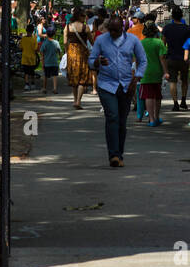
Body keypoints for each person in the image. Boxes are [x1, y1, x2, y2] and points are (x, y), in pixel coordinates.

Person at [88, 14, 147, 167]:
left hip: (126, 86)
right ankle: (113, 155)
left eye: (116, 30)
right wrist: (97, 61)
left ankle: (119, 154)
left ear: (122, 28)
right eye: (111, 30)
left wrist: (138, 77)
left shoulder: (133, 40)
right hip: (106, 85)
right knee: (112, 117)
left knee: (121, 121)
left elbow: (143, 60)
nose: (113, 33)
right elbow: (90, 60)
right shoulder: (101, 40)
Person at [139, 20, 169, 126]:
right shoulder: (159, 42)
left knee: (148, 96)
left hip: (145, 72)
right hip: (157, 72)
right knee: (157, 95)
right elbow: (162, 58)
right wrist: (166, 72)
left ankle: (151, 120)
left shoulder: (141, 43)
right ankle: (157, 117)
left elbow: (136, 58)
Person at [162, 6, 190, 112]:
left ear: (172, 16)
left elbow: (163, 44)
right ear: (181, 16)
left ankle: (175, 103)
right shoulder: (187, 29)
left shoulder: (167, 28)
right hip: (184, 58)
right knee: (184, 80)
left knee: (172, 81)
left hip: (171, 58)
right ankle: (183, 100)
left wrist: (164, 56)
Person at [64, 9, 92, 108]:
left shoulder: (67, 27)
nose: (85, 18)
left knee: (74, 78)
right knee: (82, 78)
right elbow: (92, 41)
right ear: (79, 16)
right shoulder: (86, 27)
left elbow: (64, 42)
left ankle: (75, 100)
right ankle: (78, 101)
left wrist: (67, 51)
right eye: (83, 16)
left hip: (71, 54)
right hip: (82, 54)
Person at [40, 26, 61, 94]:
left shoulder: (45, 43)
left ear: (46, 34)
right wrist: (60, 58)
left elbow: (42, 53)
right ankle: (55, 88)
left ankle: (44, 88)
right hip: (54, 62)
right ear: (54, 34)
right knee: (54, 76)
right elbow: (59, 51)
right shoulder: (56, 42)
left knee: (45, 76)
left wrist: (42, 63)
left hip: (47, 62)